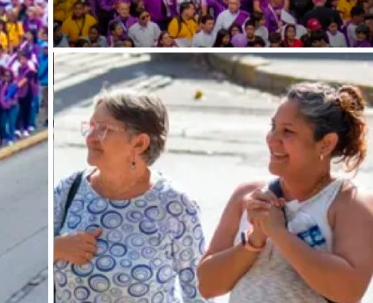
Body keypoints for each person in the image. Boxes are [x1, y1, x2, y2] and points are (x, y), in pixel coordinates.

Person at [198, 83, 373, 302]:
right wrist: (254, 240)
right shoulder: (247, 195)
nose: (272, 139)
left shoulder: (350, 203)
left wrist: (280, 234)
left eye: (287, 131)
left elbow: (348, 292)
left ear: (326, 143)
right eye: (273, 127)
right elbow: (207, 286)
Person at [54, 89, 207, 302]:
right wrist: (57, 247)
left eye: (104, 129)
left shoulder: (175, 205)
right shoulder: (70, 188)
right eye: (90, 127)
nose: (90, 138)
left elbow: (198, 292)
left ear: (139, 143)